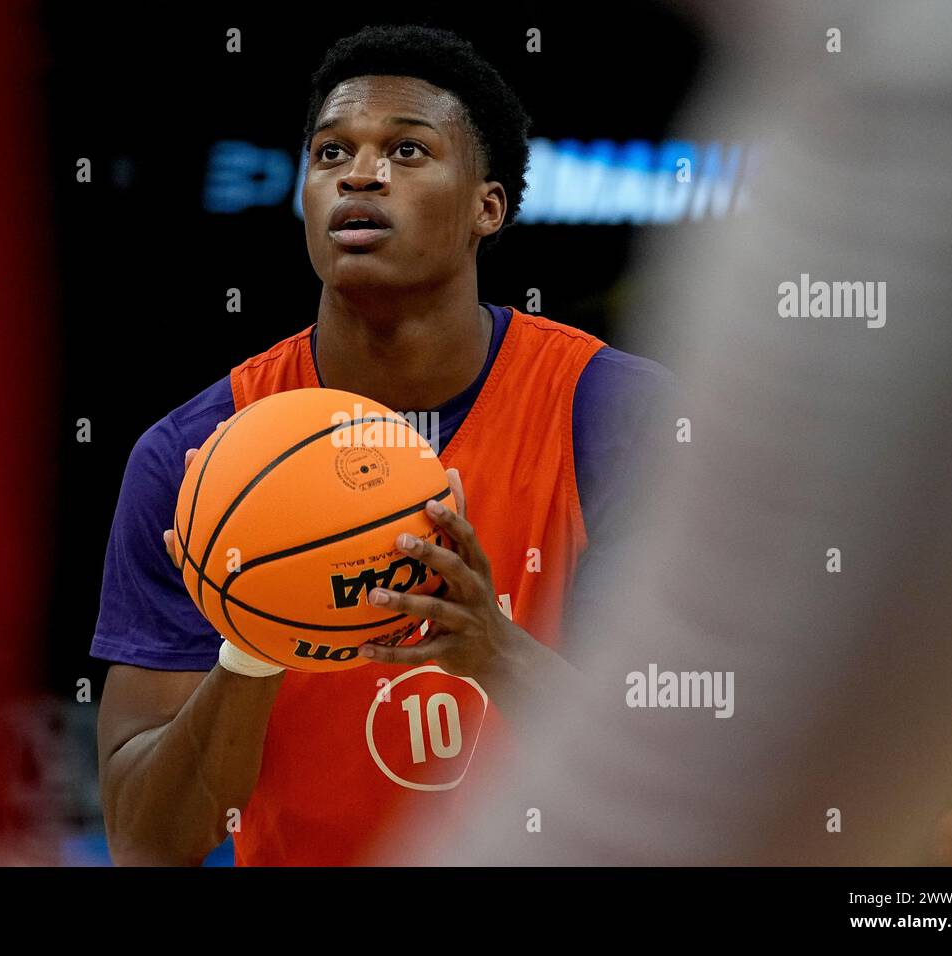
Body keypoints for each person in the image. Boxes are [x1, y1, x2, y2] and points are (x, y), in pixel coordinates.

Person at [91, 24, 672, 866]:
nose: (360, 174)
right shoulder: (198, 455)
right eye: (331, 154)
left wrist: (496, 651)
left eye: (407, 149)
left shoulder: (616, 416)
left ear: (489, 206)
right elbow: (145, 844)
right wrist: (248, 646)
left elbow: (694, 775)